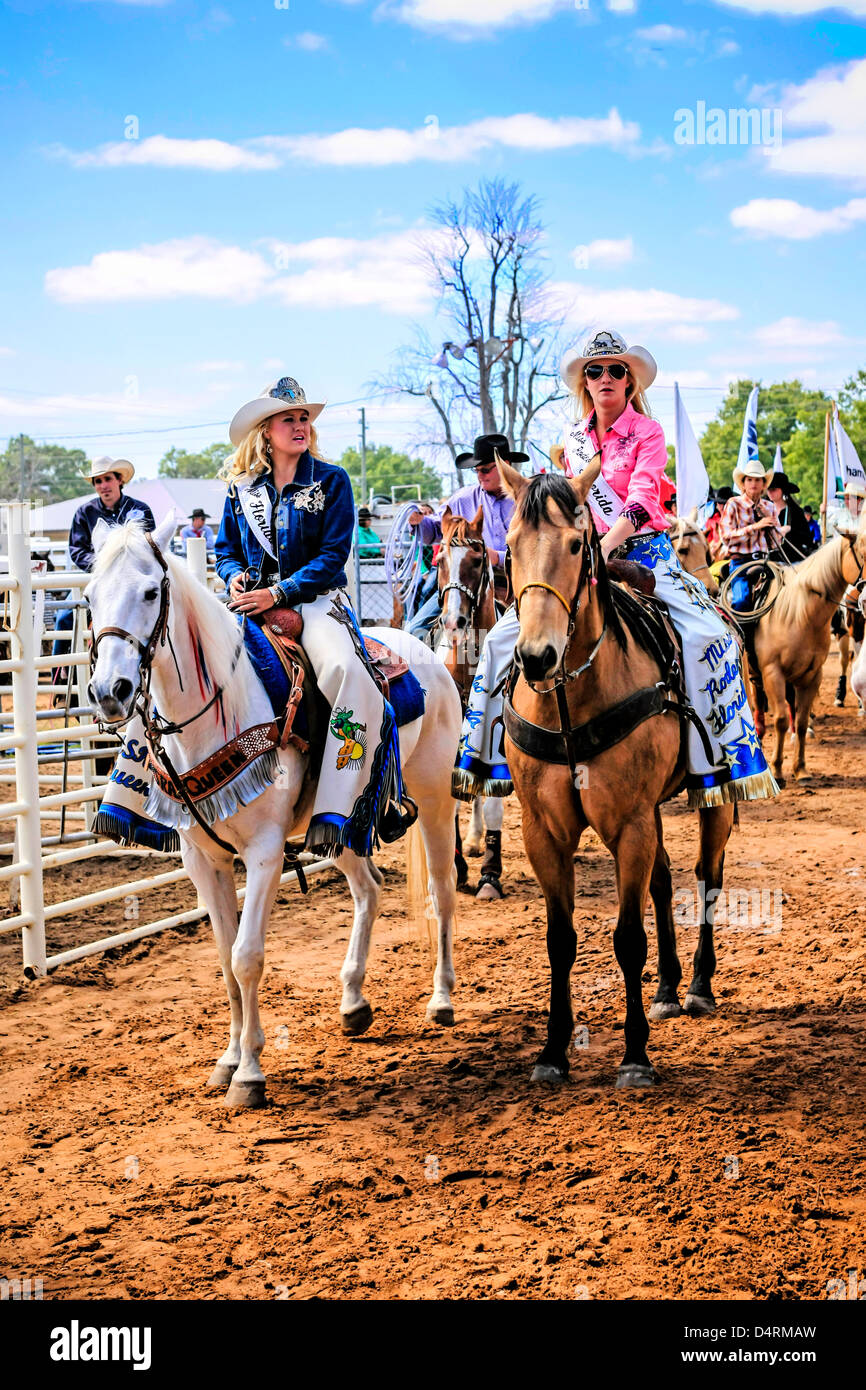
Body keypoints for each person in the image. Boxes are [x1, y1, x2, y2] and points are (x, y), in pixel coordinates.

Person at [453, 328, 778, 809]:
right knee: (501, 640)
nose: (606, 376)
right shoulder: (573, 439)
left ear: (629, 382)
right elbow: (567, 502)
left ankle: (718, 758)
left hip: (645, 553)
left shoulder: (648, 433)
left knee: (711, 636)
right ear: (585, 382)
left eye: (616, 369)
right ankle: (485, 759)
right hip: (581, 555)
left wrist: (604, 548)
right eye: (595, 370)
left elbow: (644, 500)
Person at [215, 376, 415, 856]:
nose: (301, 425)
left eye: (304, 417)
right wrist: (235, 577)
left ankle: (339, 804)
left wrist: (279, 592)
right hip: (252, 602)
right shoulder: (241, 491)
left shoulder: (331, 480)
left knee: (346, 669)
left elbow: (332, 555)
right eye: (290, 418)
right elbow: (225, 549)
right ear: (267, 430)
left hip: (317, 602)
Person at [407, 433, 527, 639]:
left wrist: (497, 556)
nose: (480, 475)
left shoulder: (527, 500)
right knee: (415, 632)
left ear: (505, 465)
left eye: (485, 469)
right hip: (462, 582)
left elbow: (537, 548)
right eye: (476, 470)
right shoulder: (463, 499)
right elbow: (435, 531)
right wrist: (418, 521)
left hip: (517, 584)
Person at [52, 457, 156, 697]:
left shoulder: (140, 510)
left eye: (108, 479)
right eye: (98, 481)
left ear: (119, 480)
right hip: (99, 581)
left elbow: (150, 546)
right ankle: (60, 674)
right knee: (64, 618)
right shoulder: (84, 512)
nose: (103, 485)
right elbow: (77, 550)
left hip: (132, 584)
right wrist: (105, 568)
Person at [719, 459, 785, 614]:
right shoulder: (733, 503)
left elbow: (776, 543)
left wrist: (772, 523)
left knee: (786, 596)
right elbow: (726, 537)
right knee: (742, 602)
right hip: (741, 562)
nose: (753, 483)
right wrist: (755, 527)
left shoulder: (769, 507)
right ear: (743, 484)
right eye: (749, 479)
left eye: (757, 480)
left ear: (763, 484)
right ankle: (742, 636)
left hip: (765, 561)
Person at [767, 470, 814, 560]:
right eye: (768, 489)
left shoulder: (796, 511)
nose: (770, 492)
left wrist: (790, 530)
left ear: (783, 490)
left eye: (773, 489)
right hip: (769, 560)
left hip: (792, 560)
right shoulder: (763, 510)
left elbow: (807, 539)